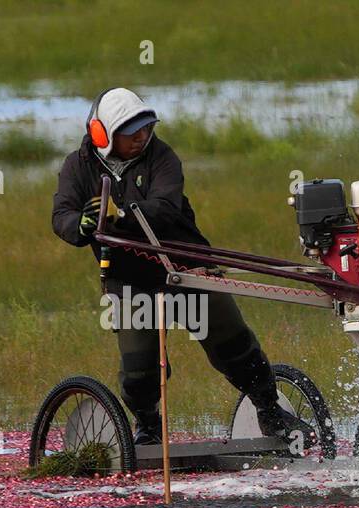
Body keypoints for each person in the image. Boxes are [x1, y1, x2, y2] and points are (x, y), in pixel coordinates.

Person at [52, 87, 307, 446]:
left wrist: (121, 215)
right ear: (103, 134)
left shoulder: (162, 156)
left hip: (186, 268)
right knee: (139, 368)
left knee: (233, 345)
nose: (142, 137)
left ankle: (268, 408)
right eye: (131, 132)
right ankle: (148, 424)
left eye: (145, 128)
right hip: (129, 280)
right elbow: (61, 215)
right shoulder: (76, 167)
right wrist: (81, 224)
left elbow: (165, 206)